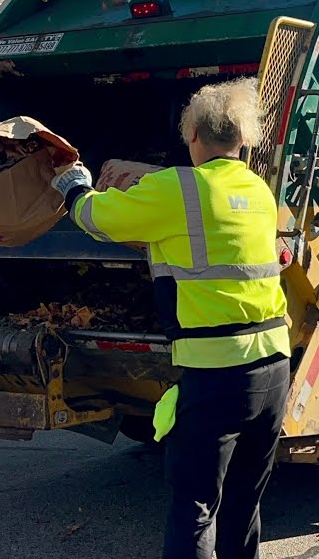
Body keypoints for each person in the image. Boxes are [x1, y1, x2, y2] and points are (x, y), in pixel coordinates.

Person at [50, 77, 290, 559]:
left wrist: (74, 187)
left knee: (195, 505)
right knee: (244, 501)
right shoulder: (259, 191)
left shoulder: (177, 189)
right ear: (242, 138)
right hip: (274, 367)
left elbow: (100, 218)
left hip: (216, 372)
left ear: (193, 135)